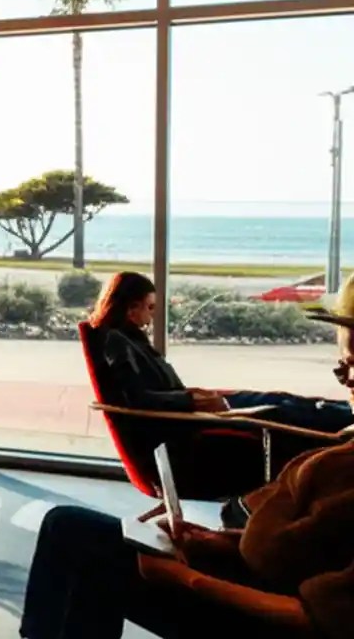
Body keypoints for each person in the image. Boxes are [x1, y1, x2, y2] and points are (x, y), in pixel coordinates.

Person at [20, 442, 354, 638]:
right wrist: (217, 540)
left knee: (85, 551)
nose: (347, 378)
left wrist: (185, 578)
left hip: (276, 619)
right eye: (343, 365)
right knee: (65, 526)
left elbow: (317, 618)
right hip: (266, 578)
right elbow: (321, 546)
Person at [91, 271, 354, 434]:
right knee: (278, 410)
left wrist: (194, 397)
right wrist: (190, 400)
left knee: (279, 399)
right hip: (187, 417)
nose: (153, 315)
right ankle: (344, 415)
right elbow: (135, 398)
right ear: (131, 309)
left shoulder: (129, 340)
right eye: (150, 307)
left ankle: (344, 410)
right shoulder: (117, 343)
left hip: (193, 408)